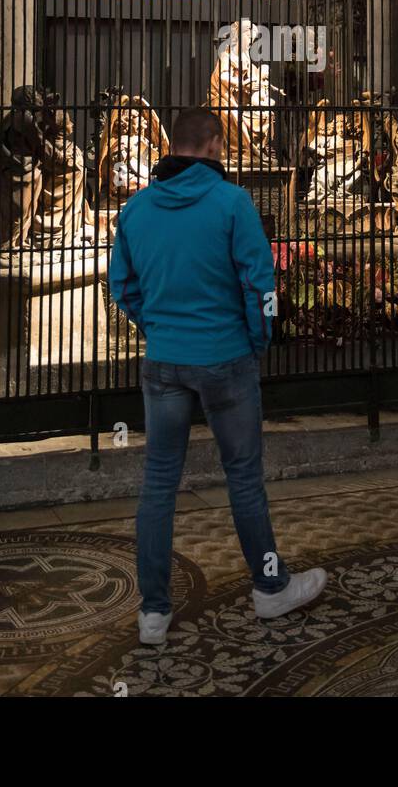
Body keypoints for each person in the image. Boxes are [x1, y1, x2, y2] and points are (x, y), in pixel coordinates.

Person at [109, 106, 327, 644]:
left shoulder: (135, 210)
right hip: (227, 358)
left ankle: (154, 612)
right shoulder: (232, 202)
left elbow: (123, 288)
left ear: (172, 146)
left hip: (164, 362)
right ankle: (270, 587)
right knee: (244, 479)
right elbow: (260, 284)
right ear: (211, 146)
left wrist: (157, 326)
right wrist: (256, 342)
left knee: (159, 484)